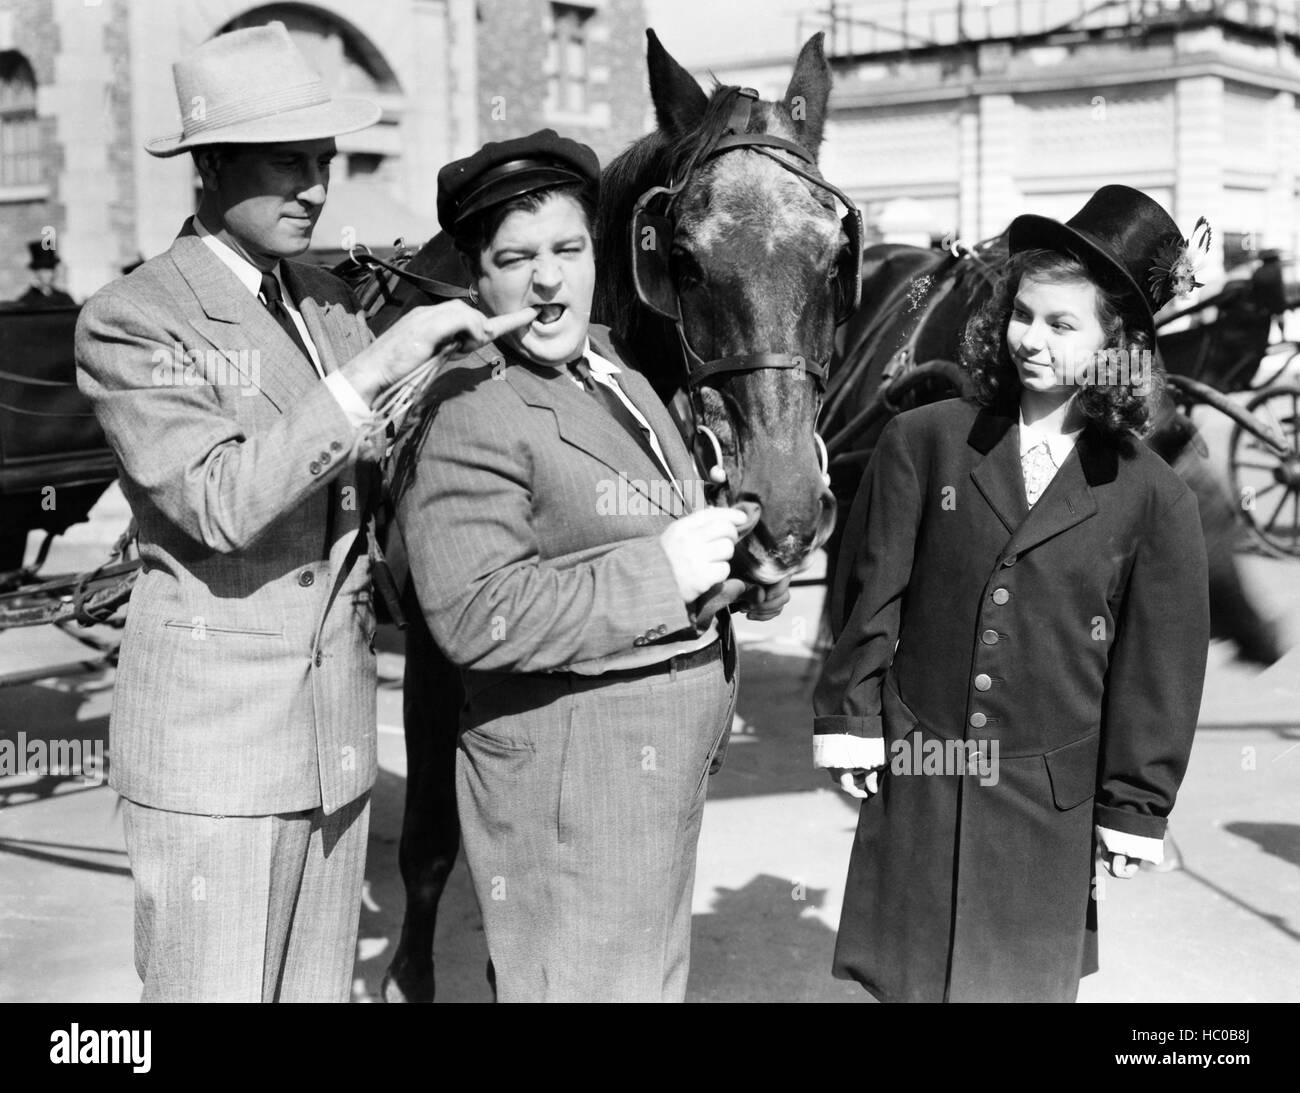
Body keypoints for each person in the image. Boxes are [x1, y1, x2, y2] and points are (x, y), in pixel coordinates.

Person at [74, 22, 532, 1002]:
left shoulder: (323, 297)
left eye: (323, 160)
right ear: (210, 166)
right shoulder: (134, 318)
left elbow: (371, 456)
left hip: (334, 752)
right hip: (217, 765)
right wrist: (384, 362)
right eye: (287, 161)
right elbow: (221, 498)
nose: (316, 187)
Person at [393, 129, 787, 1002]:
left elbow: (648, 545)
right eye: (516, 257)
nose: (547, 279)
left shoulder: (616, 367)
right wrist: (666, 571)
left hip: (653, 783)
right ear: (477, 276)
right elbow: (475, 615)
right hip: (573, 795)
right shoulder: (470, 406)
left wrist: (739, 573)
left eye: (568, 249)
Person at [814, 185, 1210, 1003]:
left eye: (1063, 325)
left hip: (1046, 800)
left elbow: (1158, 668)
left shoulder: (1151, 495)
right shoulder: (924, 442)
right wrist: (852, 716)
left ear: (1113, 347)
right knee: (912, 979)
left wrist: (1134, 803)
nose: (1032, 339)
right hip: (924, 767)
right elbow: (871, 589)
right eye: (1024, 315)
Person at [12, 241, 75, 308]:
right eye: (44, 270)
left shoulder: (65, 299)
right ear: (36, 272)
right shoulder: (26, 302)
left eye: (50, 269)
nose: (48, 274)